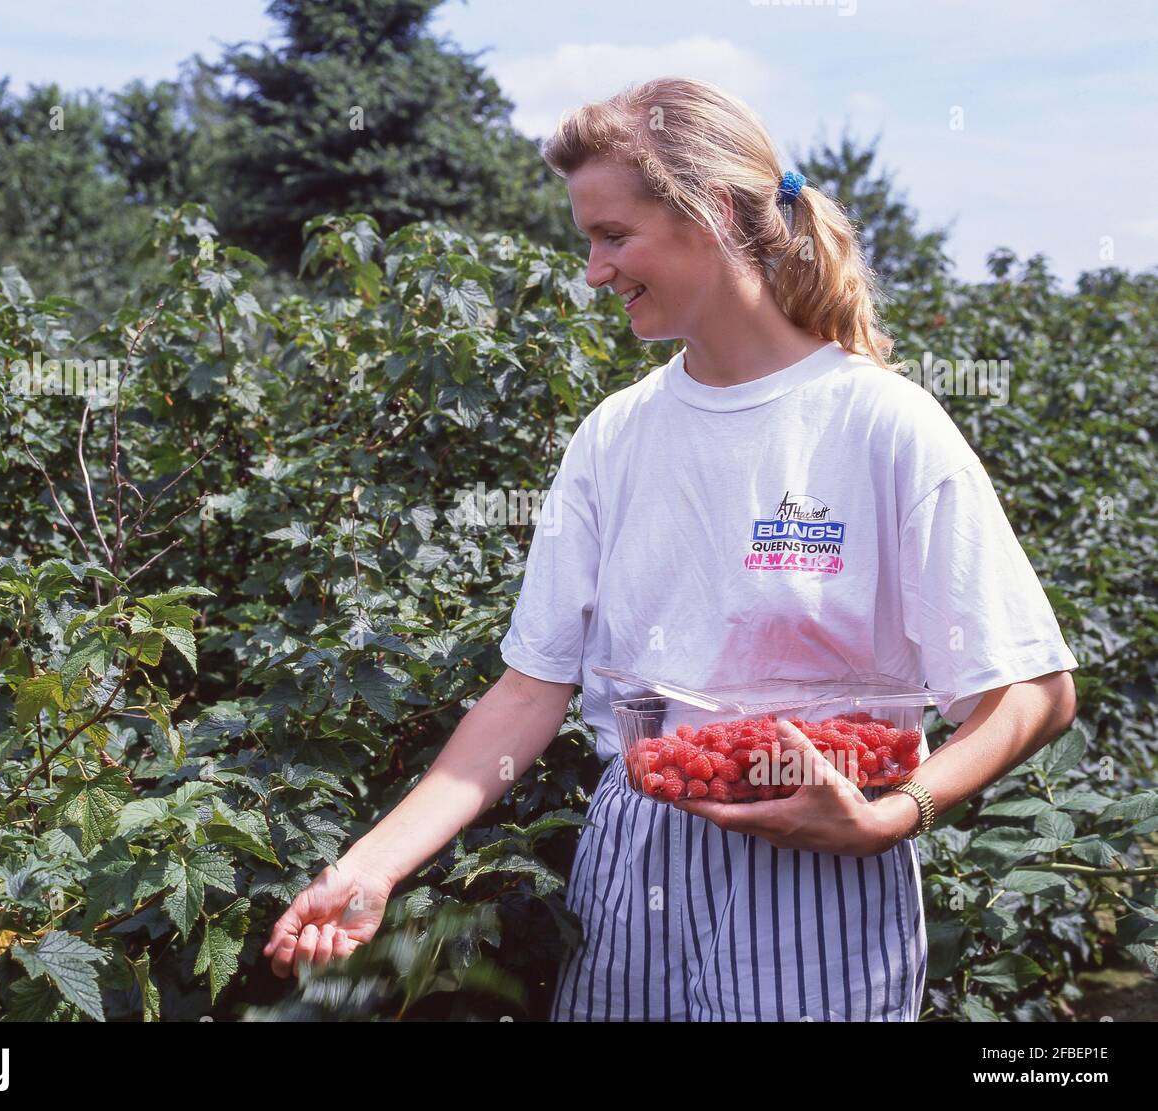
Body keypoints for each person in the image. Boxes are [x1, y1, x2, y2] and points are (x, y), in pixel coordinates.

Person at [262, 76, 1079, 1021]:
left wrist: (892, 816)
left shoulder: (884, 424)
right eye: (588, 240)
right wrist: (369, 868)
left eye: (614, 236)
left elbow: (1033, 689)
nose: (594, 271)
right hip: (636, 857)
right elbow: (531, 690)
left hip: (822, 865)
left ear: (719, 213)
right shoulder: (616, 434)